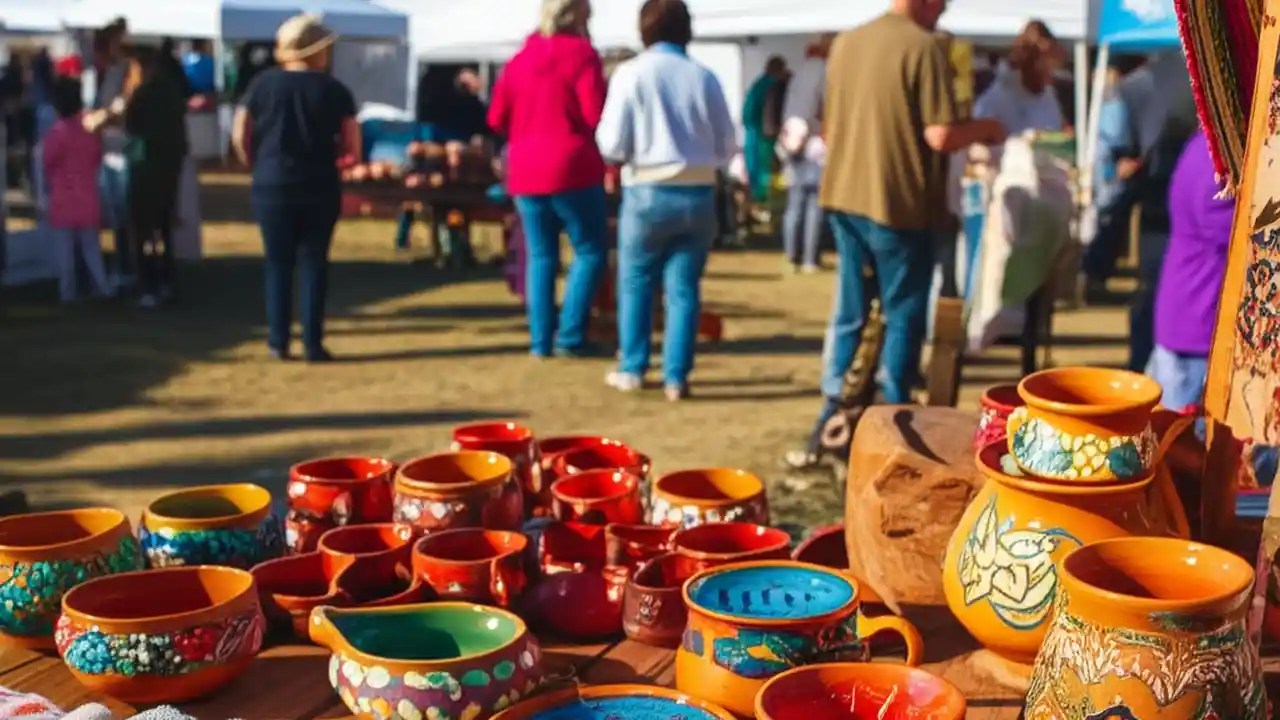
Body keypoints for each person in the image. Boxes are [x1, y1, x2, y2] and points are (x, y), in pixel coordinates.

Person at [788, 0, 1005, 466]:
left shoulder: (846, 42)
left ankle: (832, 414)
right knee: (903, 313)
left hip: (844, 196)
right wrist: (987, 128)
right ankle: (891, 421)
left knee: (850, 311)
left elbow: (830, 124)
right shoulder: (924, 47)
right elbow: (941, 136)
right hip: (897, 203)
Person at [597, 0, 736, 400]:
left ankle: (633, 367)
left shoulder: (631, 74)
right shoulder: (704, 76)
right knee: (684, 289)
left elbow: (611, 143)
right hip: (698, 192)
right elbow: (727, 142)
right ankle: (677, 376)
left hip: (648, 189)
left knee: (637, 282)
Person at [232, 14, 361, 362]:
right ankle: (313, 342)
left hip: (272, 182)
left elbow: (240, 130)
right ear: (318, 51)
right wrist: (343, 162)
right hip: (319, 183)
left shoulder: (261, 85)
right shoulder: (334, 90)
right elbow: (352, 142)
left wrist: (254, 162)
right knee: (314, 262)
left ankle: (278, 340)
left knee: (277, 262)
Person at [488, 0, 609, 359]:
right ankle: (570, 334)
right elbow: (594, 112)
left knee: (540, 256)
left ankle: (541, 341)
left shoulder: (519, 59)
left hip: (525, 171)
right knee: (589, 251)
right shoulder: (583, 55)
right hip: (573, 167)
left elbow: (496, 117)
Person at [1150, 130, 1231, 411]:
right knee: (1184, 447)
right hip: (1199, 329)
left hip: (1187, 320)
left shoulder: (1204, 144)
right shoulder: (1218, 162)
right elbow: (1249, 232)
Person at [124, 45, 189, 308]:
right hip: (169, 165)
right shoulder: (172, 90)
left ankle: (147, 286)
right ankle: (168, 282)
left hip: (145, 164)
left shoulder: (142, 92)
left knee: (142, 230)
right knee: (164, 227)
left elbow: (130, 124)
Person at [43, 77, 111, 303]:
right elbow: (96, 158)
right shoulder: (88, 132)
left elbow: (48, 161)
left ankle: (67, 292)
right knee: (91, 250)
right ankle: (102, 286)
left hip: (63, 199)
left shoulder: (56, 133)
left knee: (65, 253)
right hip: (87, 197)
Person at [1082, 60, 1142, 293]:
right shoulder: (1114, 106)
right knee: (1104, 225)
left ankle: (1094, 277)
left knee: (1103, 224)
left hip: (1106, 171)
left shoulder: (1109, 105)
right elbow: (1118, 139)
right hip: (1106, 171)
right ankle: (1094, 277)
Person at [779, 34, 834, 274]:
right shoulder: (826, 73)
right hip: (814, 144)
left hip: (793, 141)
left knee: (794, 203)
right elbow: (826, 107)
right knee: (814, 205)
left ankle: (791, 254)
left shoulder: (797, 75)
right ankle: (810, 258)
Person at [973, 20, 1064, 136]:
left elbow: (1057, 129)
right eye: (1046, 67)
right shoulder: (998, 97)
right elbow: (975, 145)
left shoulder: (1048, 94)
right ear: (1028, 62)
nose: (1051, 76)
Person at [741, 56, 788, 205]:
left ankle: (756, 206)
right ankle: (764, 206)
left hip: (753, 136)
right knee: (765, 174)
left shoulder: (759, 84)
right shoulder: (773, 86)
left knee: (754, 172)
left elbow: (746, 114)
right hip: (764, 138)